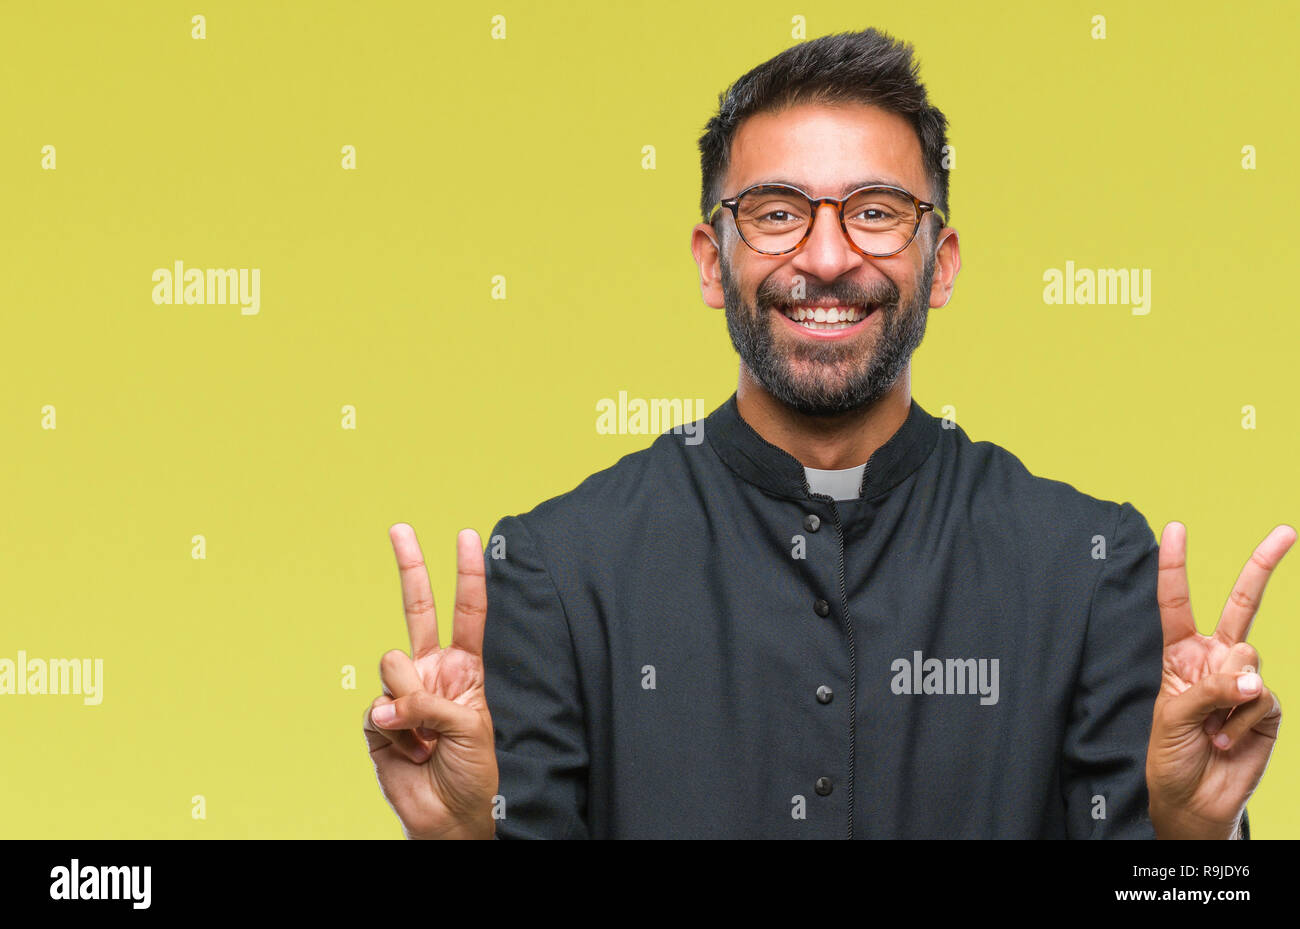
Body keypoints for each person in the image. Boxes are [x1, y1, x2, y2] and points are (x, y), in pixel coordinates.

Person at [362, 28, 1291, 839]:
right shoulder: (561, 569)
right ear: (711, 263)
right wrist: (456, 841)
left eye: (878, 212)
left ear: (942, 264)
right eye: (775, 212)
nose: (828, 254)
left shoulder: (1088, 567)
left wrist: (1198, 839)